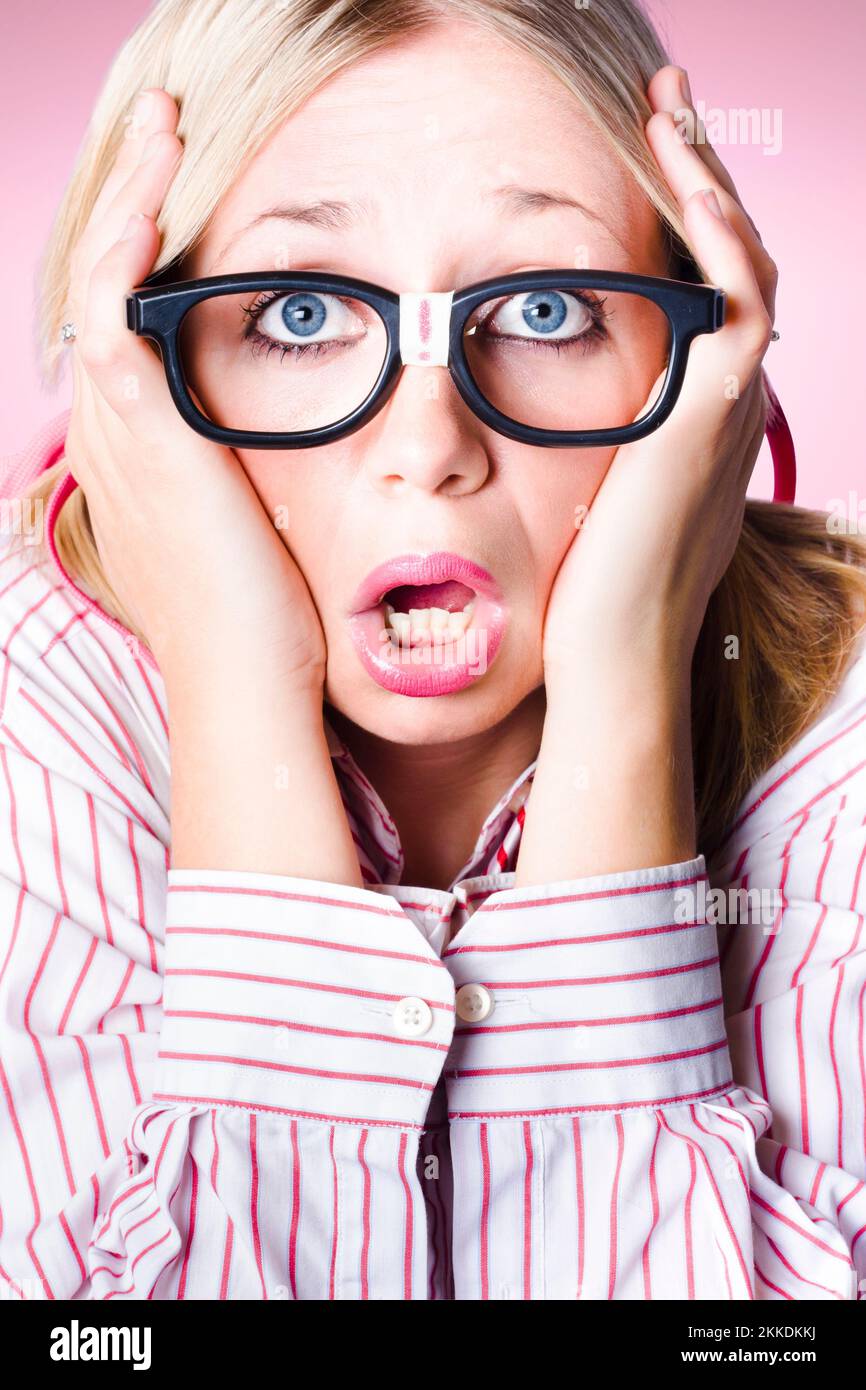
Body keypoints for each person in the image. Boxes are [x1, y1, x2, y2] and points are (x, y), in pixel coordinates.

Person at [1, 0, 865, 1300]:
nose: (426, 446)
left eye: (542, 305)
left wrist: (623, 687)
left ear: (696, 361)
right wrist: (243, 699)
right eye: (296, 312)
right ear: (144, 364)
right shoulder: (30, 722)